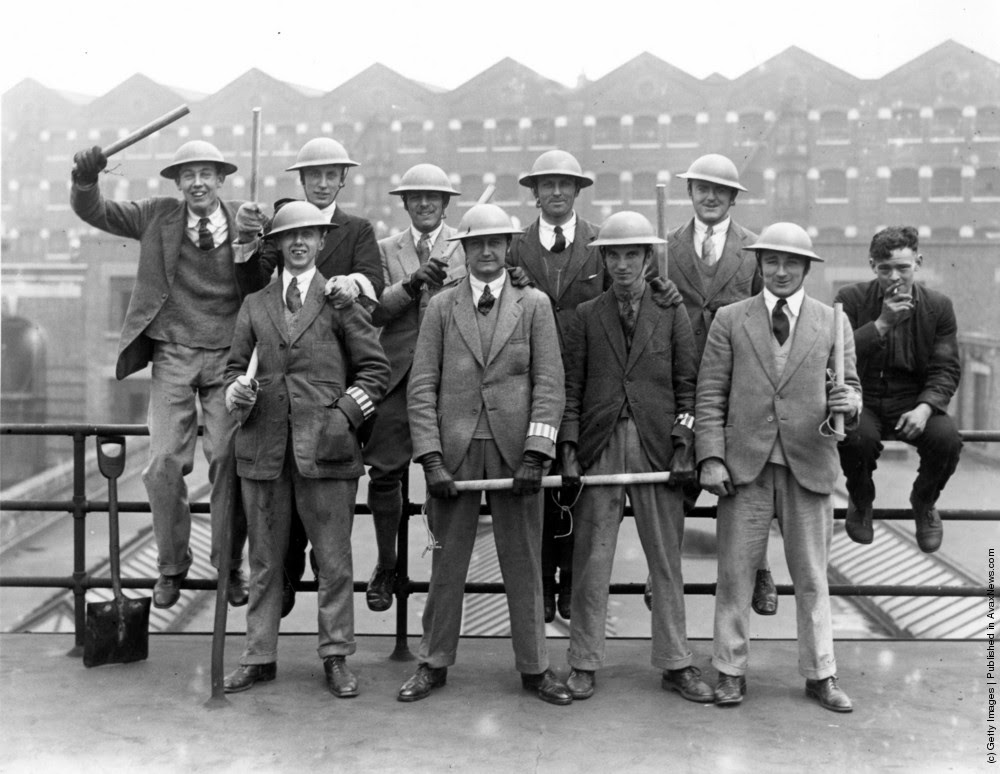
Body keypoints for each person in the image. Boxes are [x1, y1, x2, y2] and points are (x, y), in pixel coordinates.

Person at [70, 140, 266, 610]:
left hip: (230, 356)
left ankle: (229, 567)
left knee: (228, 459)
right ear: (177, 182)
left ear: (222, 179)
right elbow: (96, 211)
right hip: (173, 353)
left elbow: (293, 253)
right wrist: (85, 179)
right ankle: (171, 567)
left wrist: (259, 239)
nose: (197, 182)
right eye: (188, 175)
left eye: (206, 174)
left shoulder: (249, 216)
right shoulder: (156, 215)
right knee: (161, 465)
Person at [398, 203, 571, 706]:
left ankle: (535, 668)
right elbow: (421, 386)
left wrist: (538, 454)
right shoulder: (440, 307)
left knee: (523, 564)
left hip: (517, 454)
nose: (488, 251)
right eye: (478, 243)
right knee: (445, 564)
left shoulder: (534, 305)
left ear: (509, 247)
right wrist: (431, 459)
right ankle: (433, 662)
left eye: (497, 242)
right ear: (465, 250)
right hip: (454, 455)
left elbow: (550, 385)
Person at [222, 201, 390, 696]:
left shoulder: (340, 300)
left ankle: (336, 656)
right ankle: (259, 656)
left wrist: (344, 416)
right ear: (275, 245)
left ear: (321, 242)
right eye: (289, 236)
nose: (299, 243)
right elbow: (233, 370)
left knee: (333, 560)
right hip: (264, 450)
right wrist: (236, 392)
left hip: (328, 451)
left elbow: (375, 372)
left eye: (309, 235)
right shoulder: (254, 304)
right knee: (266, 561)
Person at [696, 223, 862, 713]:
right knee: (734, 576)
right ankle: (729, 672)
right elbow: (709, 396)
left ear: (806, 267)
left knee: (812, 577)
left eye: (791, 263)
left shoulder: (833, 323)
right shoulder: (730, 319)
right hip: (744, 468)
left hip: (808, 465)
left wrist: (848, 400)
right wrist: (710, 457)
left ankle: (821, 674)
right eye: (772, 262)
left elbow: (851, 389)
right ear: (759, 265)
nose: (781, 271)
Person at [559, 212, 711, 703]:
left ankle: (676, 663)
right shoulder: (585, 316)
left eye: (632, 255)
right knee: (591, 561)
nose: (623, 264)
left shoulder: (673, 312)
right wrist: (568, 453)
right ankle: (583, 662)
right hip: (600, 446)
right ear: (603, 259)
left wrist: (685, 446)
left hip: (657, 447)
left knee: (665, 561)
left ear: (648, 259)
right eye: (614, 255)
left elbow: (689, 390)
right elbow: (572, 391)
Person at [235, 136, 385, 616]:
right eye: (313, 175)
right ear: (300, 180)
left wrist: (351, 286)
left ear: (343, 178)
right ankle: (268, 625)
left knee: (332, 547)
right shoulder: (278, 232)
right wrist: (249, 237)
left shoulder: (357, 229)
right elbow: (255, 291)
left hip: (329, 401)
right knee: (273, 542)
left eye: (330, 174)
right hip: (277, 413)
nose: (322, 182)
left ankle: (334, 646)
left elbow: (372, 288)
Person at [661, 153, 777, 617]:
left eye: (720, 191)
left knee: (748, 475)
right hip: (679, 377)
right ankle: (662, 568)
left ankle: (760, 569)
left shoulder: (754, 249)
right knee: (677, 469)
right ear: (689, 193)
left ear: (733, 197)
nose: (710, 197)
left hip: (736, 379)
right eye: (702, 188)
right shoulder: (665, 247)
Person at [506, 149, 603, 622]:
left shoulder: (601, 243)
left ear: (579, 190)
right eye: (548, 184)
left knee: (576, 483)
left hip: (587, 379)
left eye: (567, 184)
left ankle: (569, 584)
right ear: (535, 192)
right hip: (530, 380)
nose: (557, 192)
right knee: (537, 480)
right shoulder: (514, 246)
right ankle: (542, 584)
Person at [364, 164, 465, 612]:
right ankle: (387, 564)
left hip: (453, 377)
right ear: (404, 203)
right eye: (416, 197)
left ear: (446, 203)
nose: (424, 203)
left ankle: (447, 577)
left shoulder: (466, 245)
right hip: (400, 377)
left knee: (452, 475)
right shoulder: (385, 249)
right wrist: (411, 283)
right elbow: (375, 312)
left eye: (433, 197)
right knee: (385, 472)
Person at [835, 226, 962, 552]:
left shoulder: (938, 306)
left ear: (917, 263)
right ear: (871, 265)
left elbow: (946, 368)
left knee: (947, 439)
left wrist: (925, 407)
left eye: (903, 268)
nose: (894, 276)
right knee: (855, 437)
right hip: (861, 397)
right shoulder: (849, 299)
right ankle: (861, 500)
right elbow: (832, 355)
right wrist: (881, 324)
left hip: (912, 399)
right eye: (884, 268)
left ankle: (924, 500)